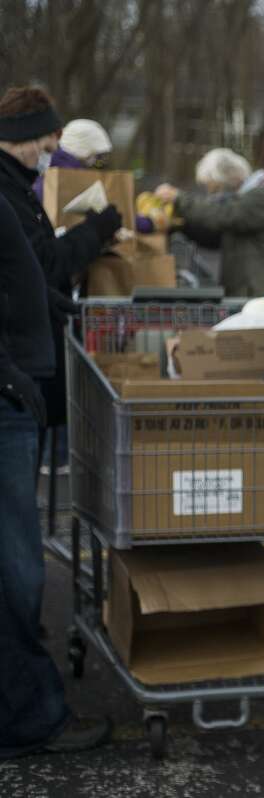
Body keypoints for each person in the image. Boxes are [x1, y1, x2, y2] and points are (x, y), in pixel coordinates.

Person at [0, 192, 112, 757]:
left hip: (17, 382)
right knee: (14, 572)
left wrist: (39, 298)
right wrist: (11, 375)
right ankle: (29, 716)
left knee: (17, 569)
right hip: (7, 393)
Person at [0, 88, 122, 436]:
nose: (49, 159)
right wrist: (95, 230)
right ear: (26, 140)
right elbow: (44, 261)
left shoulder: (19, 188)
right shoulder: (10, 192)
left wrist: (50, 298)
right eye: (48, 149)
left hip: (24, 366)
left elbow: (28, 267)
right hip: (17, 371)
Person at [155, 143, 264, 299]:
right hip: (252, 293)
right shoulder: (243, 203)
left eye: (215, 189)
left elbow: (222, 215)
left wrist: (179, 199)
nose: (212, 195)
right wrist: (179, 226)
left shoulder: (262, 197)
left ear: (228, 179)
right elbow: (215, 236)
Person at [31, 119, 154, 234]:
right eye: (97, 156)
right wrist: (149, 222)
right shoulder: (77, 179)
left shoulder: (44, 176)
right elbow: (115, 213)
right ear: (85, 151)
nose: (97, 162)